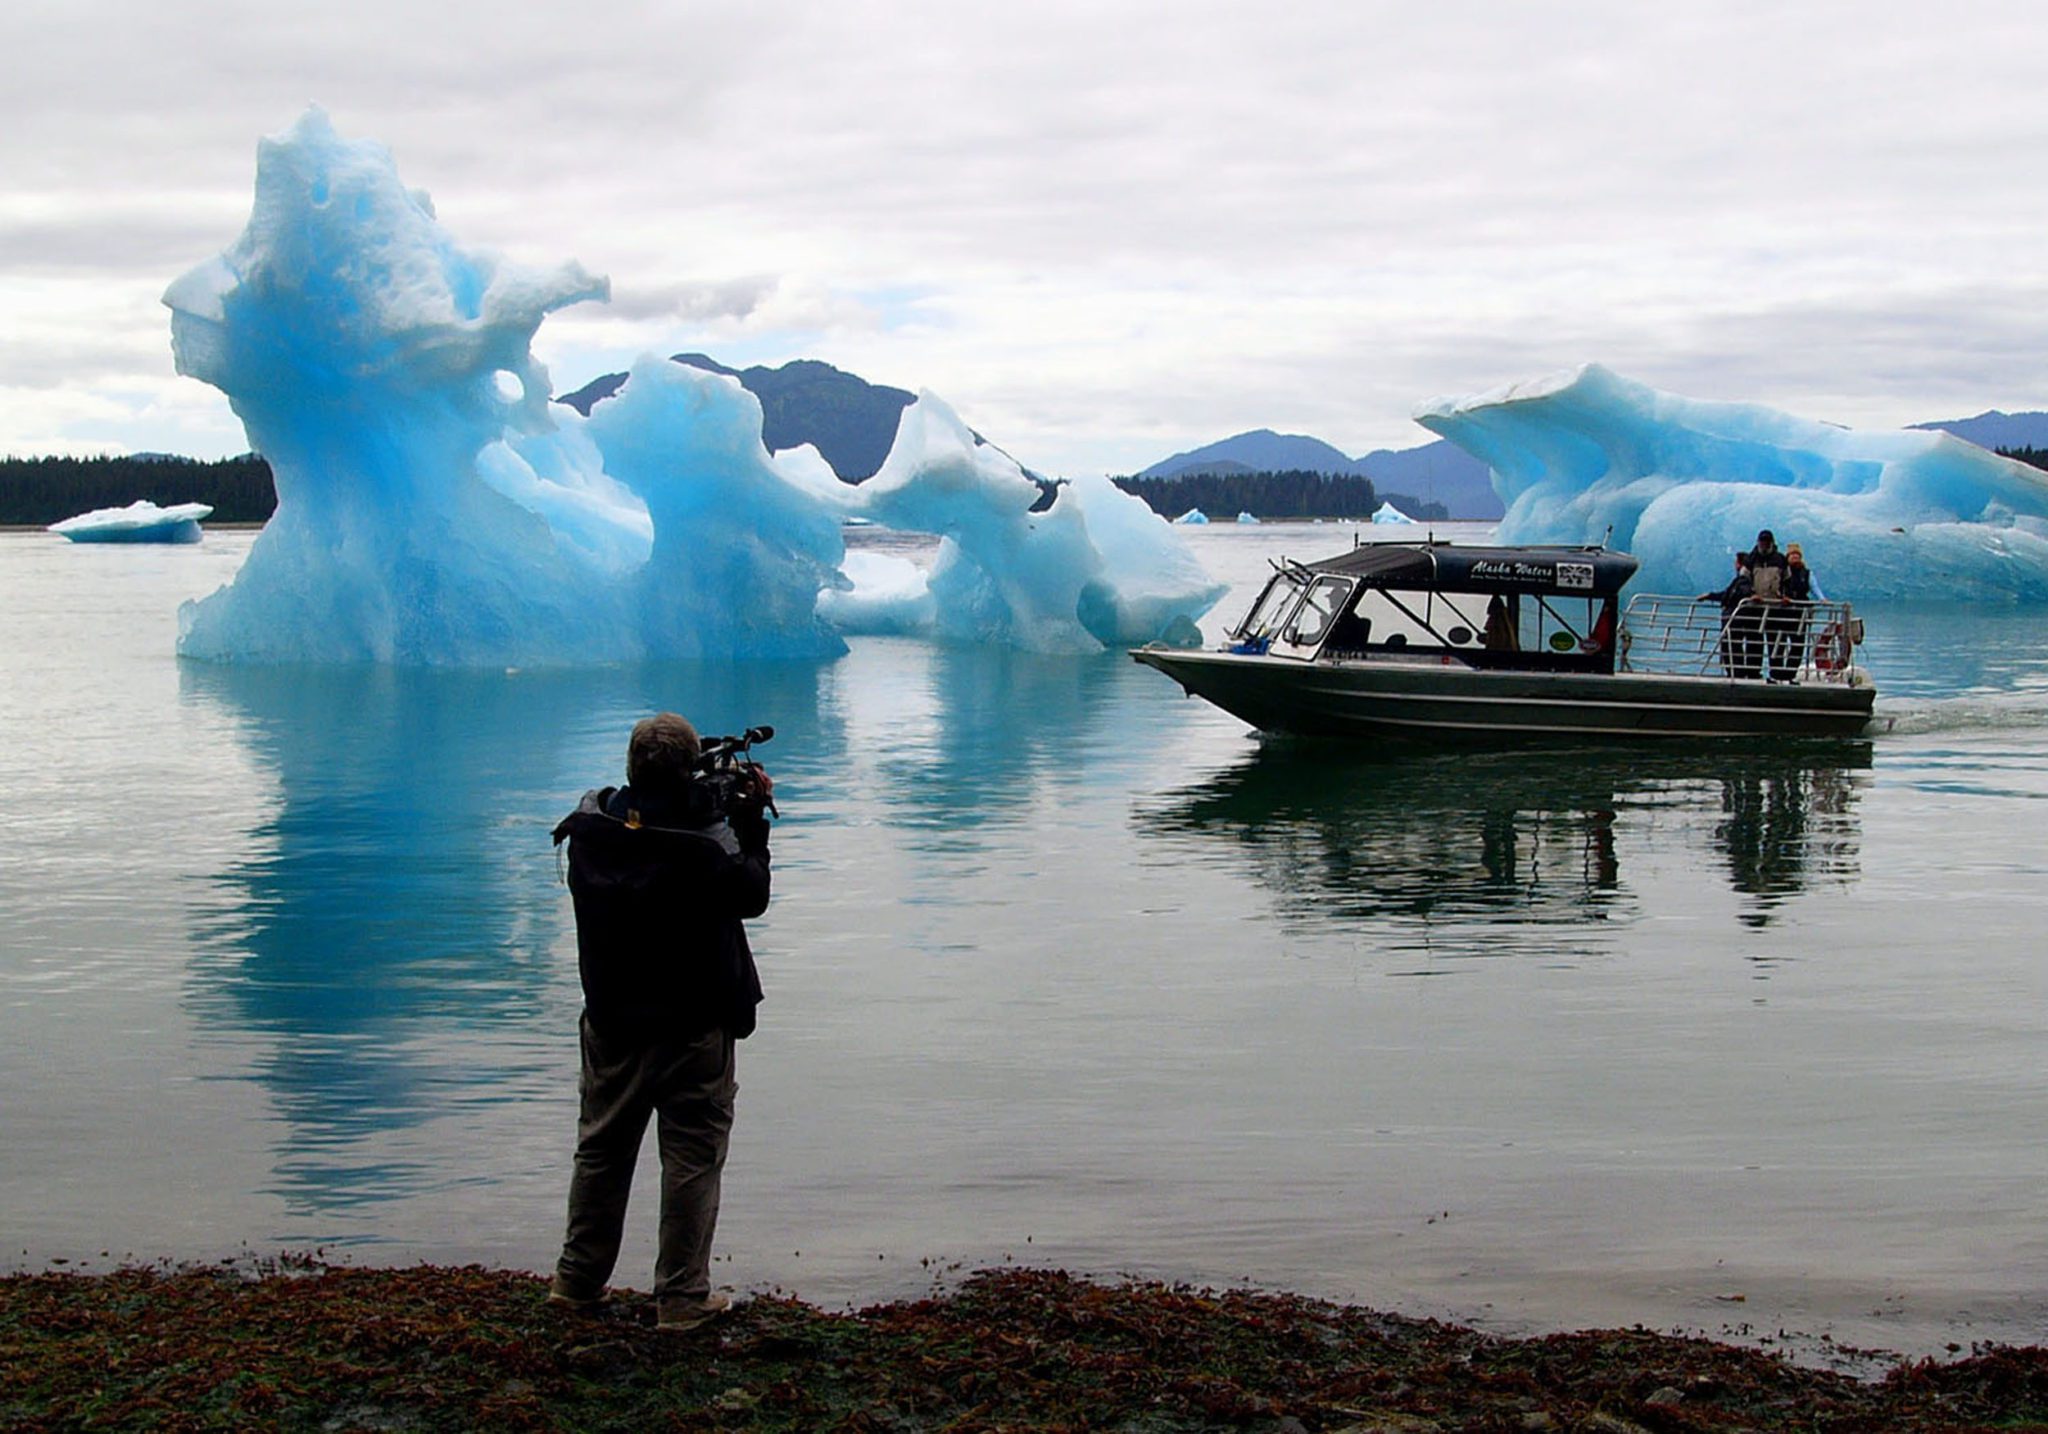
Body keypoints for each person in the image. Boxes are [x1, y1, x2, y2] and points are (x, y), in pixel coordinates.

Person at [547, 713, 774, 1333]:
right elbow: (750, 892)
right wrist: (751, 820)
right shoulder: (704, 844)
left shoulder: (591, 832)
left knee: (601, 1150)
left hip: (613, 1021)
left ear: (630, 767)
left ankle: (576, 1282)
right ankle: (680, 1299)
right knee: (692, 1158)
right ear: (689, 769)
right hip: (692, 1027)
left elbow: (644, 826)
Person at [1698, 553, 1755, 678]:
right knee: (1732, 647)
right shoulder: (1740, 581)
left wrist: (1711, 596)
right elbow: (1727, 594)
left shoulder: (1743, 581)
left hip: (1734, 620)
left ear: (1740, 564)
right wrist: (1710, 596)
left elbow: (1733, 595)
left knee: (1732, 647)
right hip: (1733, 619)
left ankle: (1736, 675)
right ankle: (1736, 673)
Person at [1744, 529, 1790, 680]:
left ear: (1772, 543)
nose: (1764, 544)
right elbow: (1743, 580)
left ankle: (1776, 673)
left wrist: (1786, 596)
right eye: (1762, 541)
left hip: (1775, 607)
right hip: (1755, 607)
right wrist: (1751, 595)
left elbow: (1787, 581)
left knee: (1776, 641)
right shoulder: (1750, 560)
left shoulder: (1781, 560)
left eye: (1767, 542)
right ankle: (1753, 673)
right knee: (1754, 641)